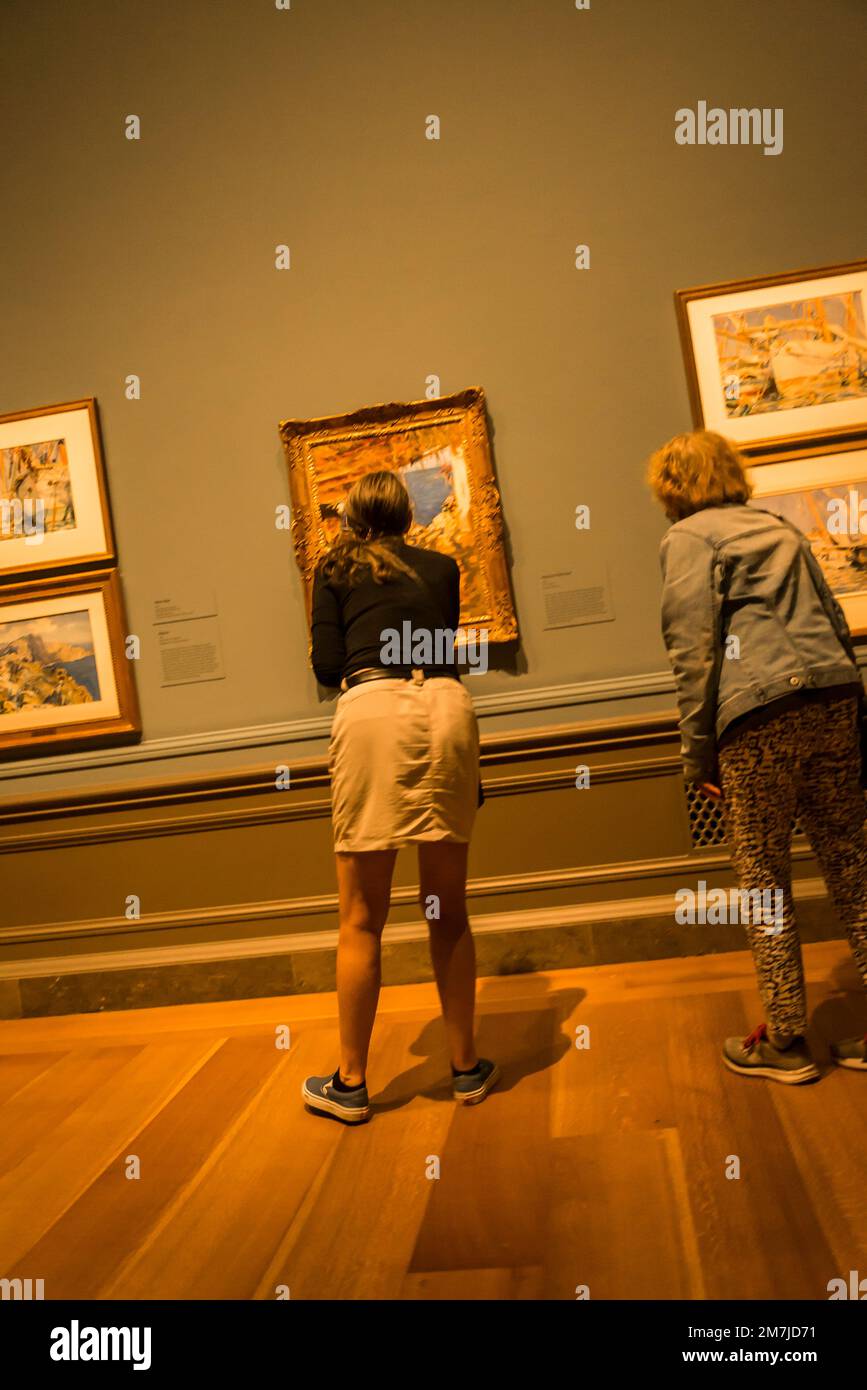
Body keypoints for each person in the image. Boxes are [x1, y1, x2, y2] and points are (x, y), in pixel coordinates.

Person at [647, 428, 867, 1083]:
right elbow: (830, 619)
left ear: (672, 486)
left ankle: (788, 1042)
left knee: (764, 883)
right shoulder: (780, 530)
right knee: (855, 872)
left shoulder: (688, 539)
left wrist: (696, 758)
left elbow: (693, 652)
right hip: (831, 702)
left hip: (757, 718)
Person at [301, 469, 499, 1122]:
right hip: (446, 706)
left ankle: (351, 1083)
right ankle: (466, 1068)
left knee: (361, 916)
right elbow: (440, 648)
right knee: (447, 908)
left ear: (351, 518)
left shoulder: (333, 568)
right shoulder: (441, 567)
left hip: (373, 707)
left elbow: (328, 669)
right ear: (405, 518)